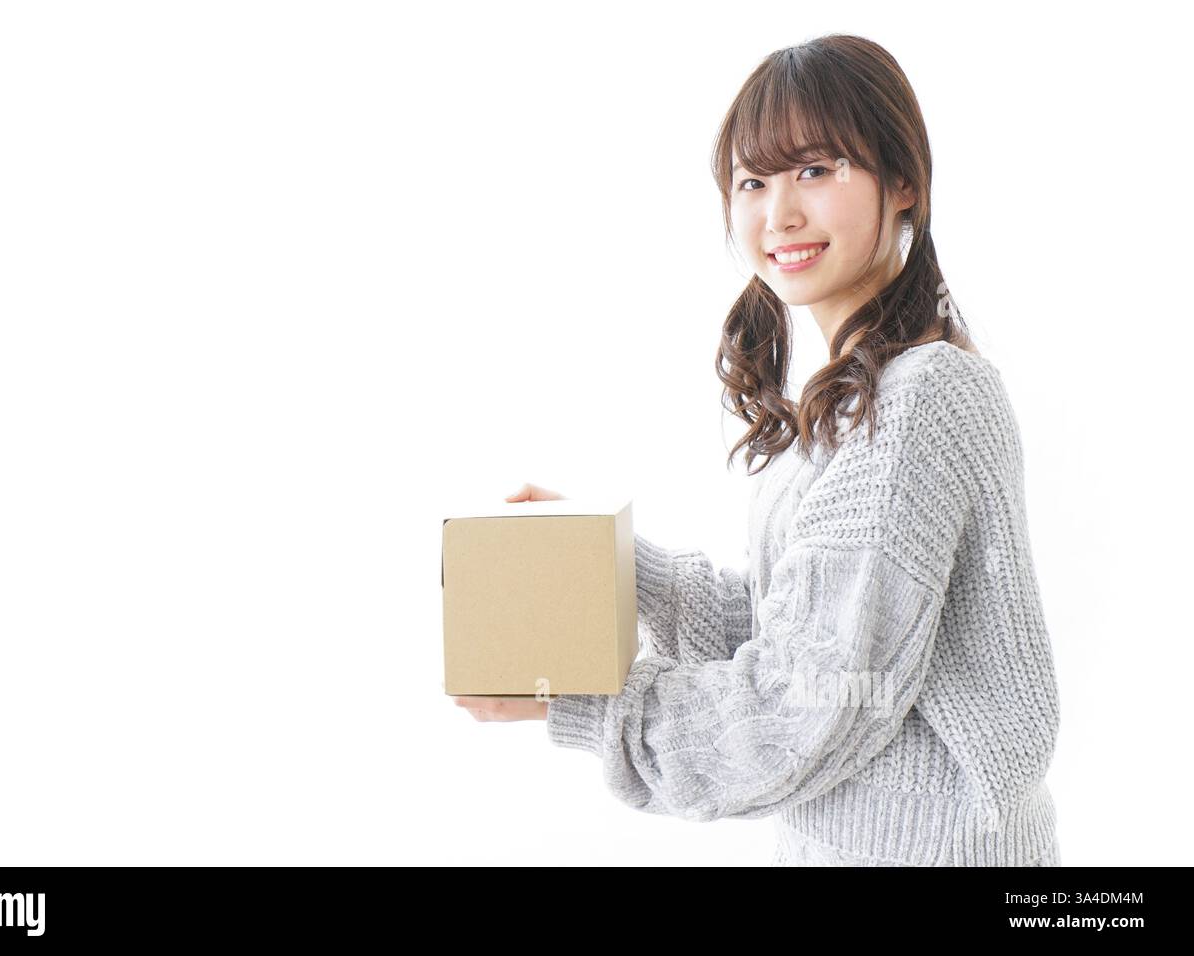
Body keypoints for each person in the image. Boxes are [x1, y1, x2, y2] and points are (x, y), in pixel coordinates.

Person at [453, 33, 1060, 867]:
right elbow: (809, 630)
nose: (779, 213)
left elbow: (800, 708)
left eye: (816, 169)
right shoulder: (863, 395)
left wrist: (583, 707)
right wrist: (608, 563)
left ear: (904, 181)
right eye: (753, 181)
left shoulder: (920, 398)